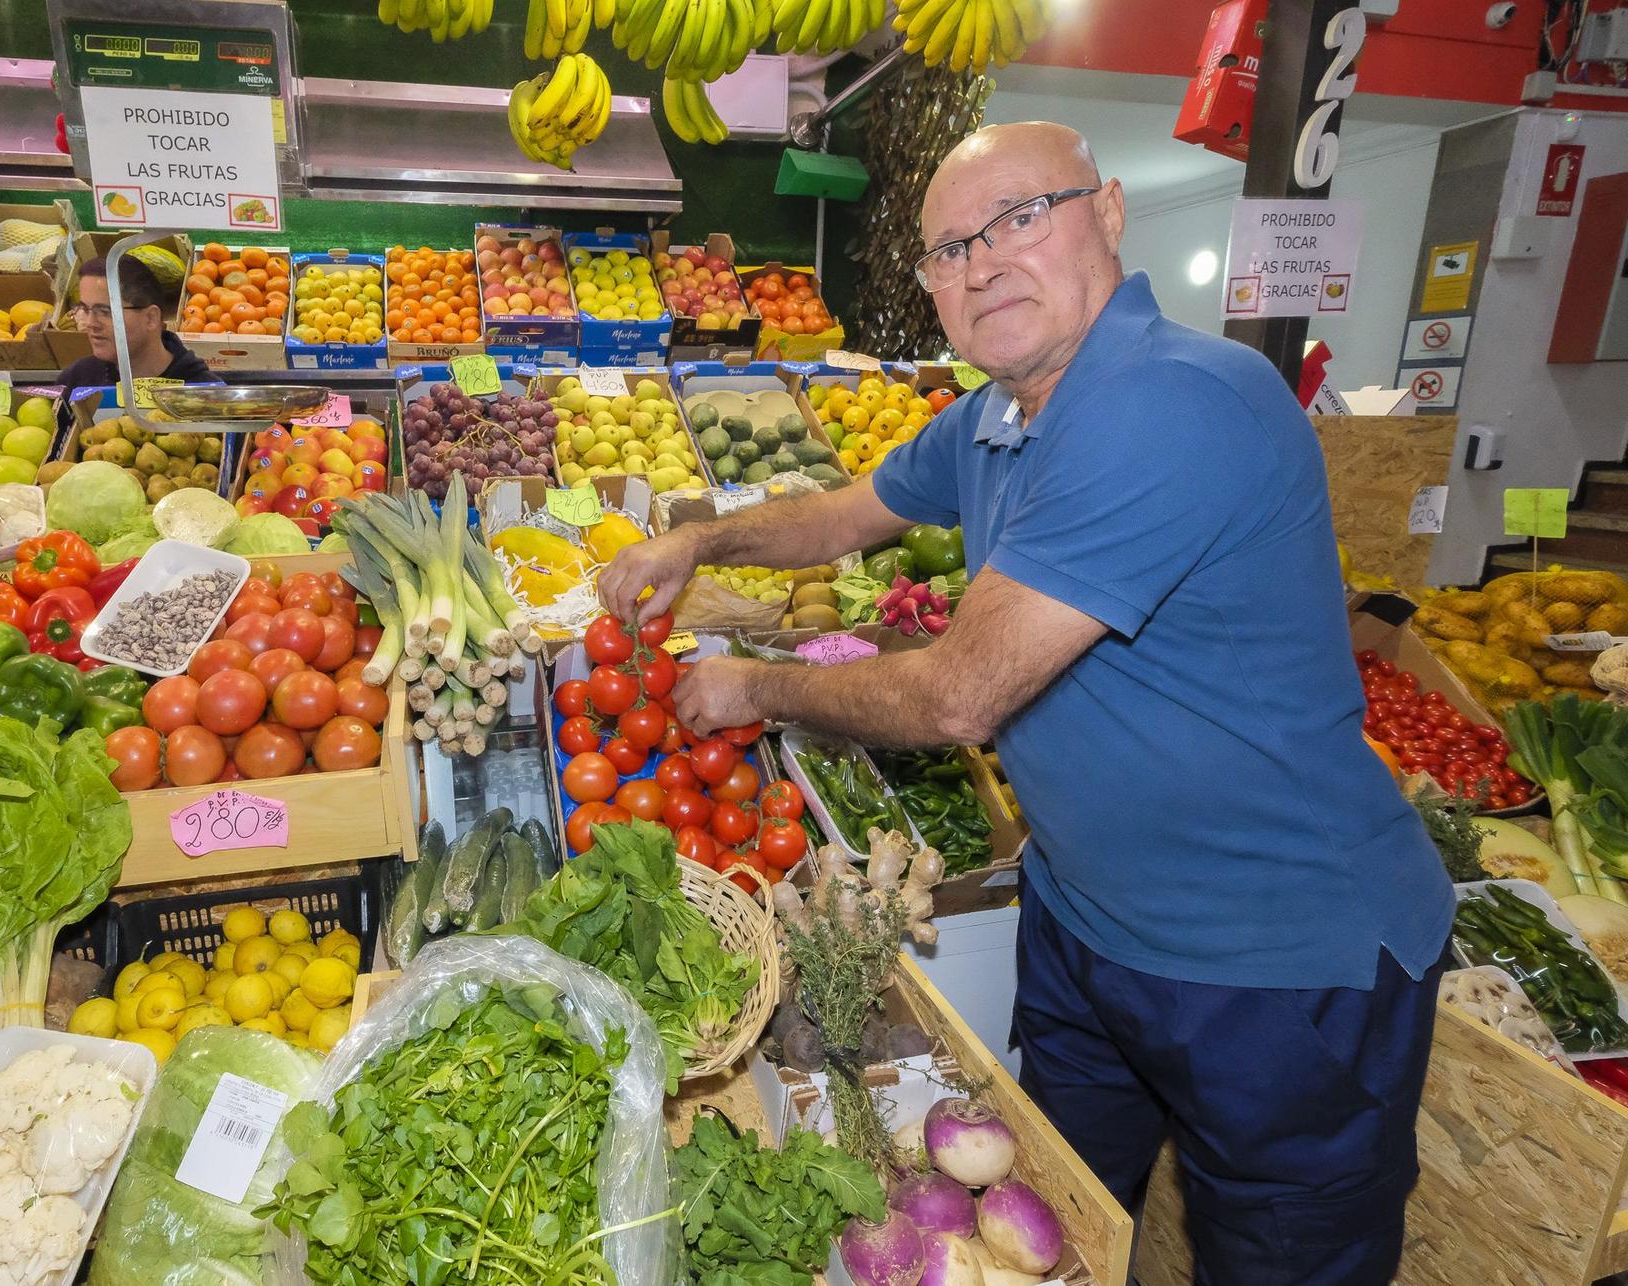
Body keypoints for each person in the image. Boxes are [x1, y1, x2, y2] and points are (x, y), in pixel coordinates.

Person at [598, 122, 1452, 1285]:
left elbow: (958, 693)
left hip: (1269, 963)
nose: (980, 263)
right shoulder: (1002, 412)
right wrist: (699, 537)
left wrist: (751, 684)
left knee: (1278, 1259)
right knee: (1048, 1228)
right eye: (945, 250)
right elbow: (847, 515)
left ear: (1105, 212)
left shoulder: (1170, 399)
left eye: (1016, 219)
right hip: (1088, 921)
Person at [56, 254, 219, 392]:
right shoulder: (76, 381)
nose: (90, 323)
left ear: (151, 318)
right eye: (85, 309)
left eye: (105, 312)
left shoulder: (205, 393)